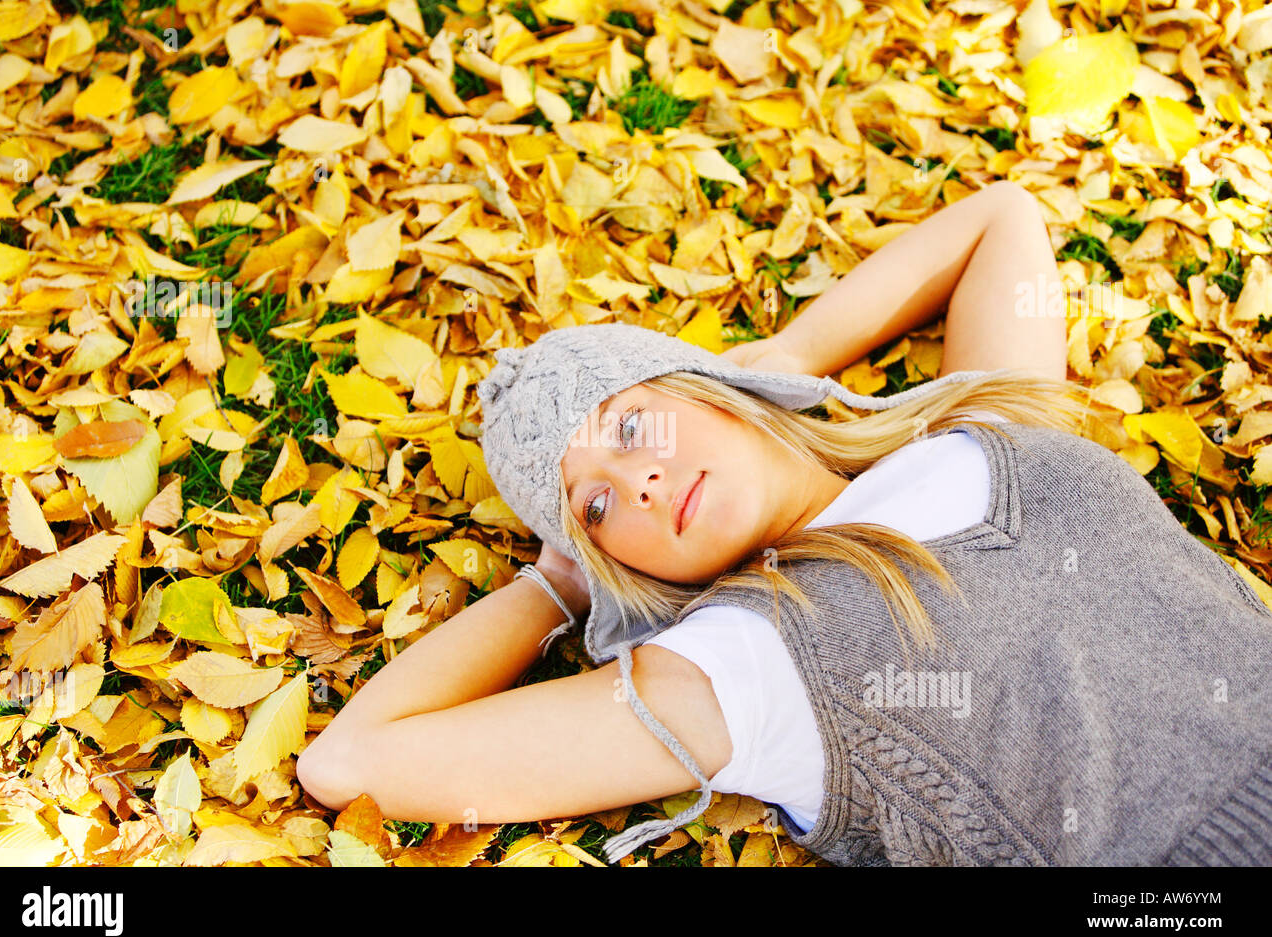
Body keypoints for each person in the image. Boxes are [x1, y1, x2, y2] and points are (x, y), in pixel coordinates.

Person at [296, 181, 1272, 866]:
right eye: (591, 505)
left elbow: (999, 221)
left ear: (711, 387)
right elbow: (347, 761)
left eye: (632, 422)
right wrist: (551, 585)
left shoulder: (978, 428)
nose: (634, 480)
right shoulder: (743, 667)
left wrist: (789, 351)